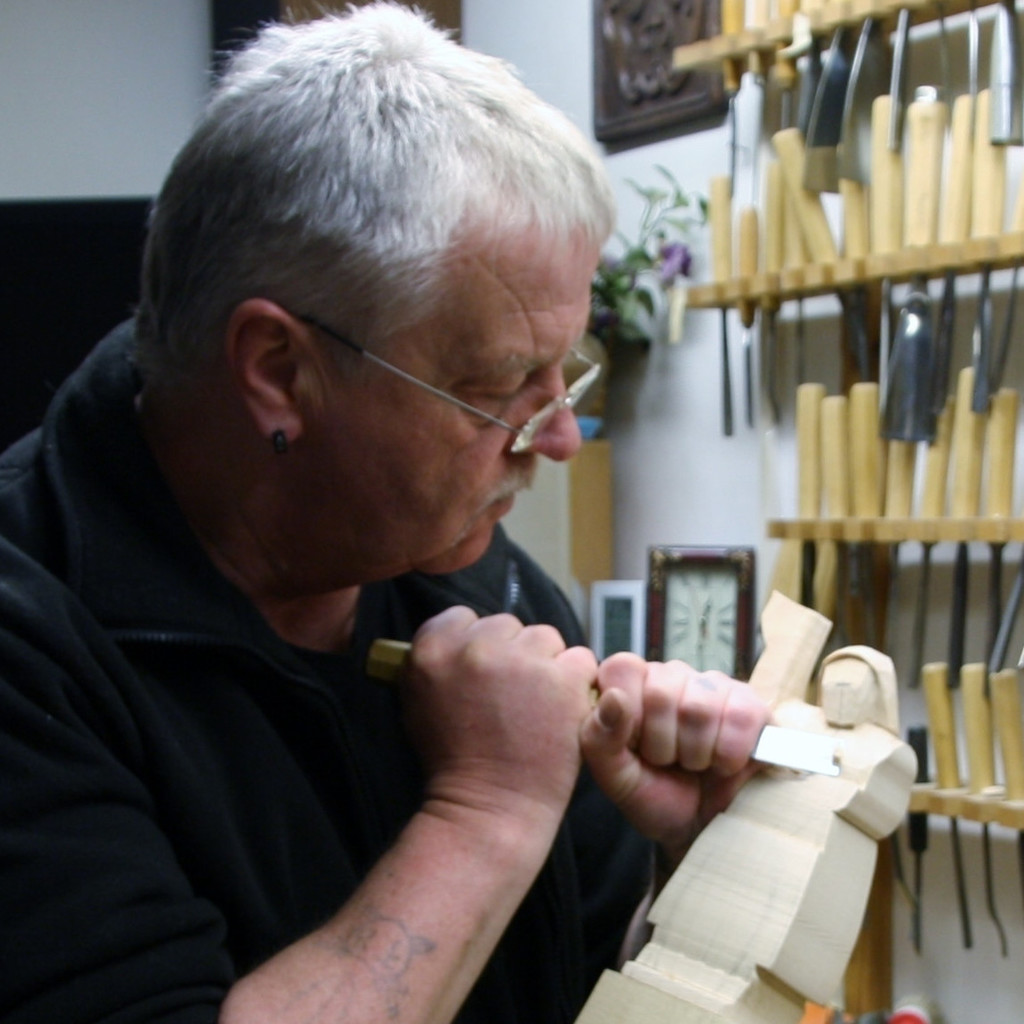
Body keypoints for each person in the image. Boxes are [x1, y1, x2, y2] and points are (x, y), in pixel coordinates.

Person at [0, 6, 770, 1023]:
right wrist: (485, 813)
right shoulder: (30, 648)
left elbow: (583, 986)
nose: (557, 439)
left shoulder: (483, 590)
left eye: (563, 374)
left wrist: (692, 866)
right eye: (499, 386)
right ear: (280, 371)